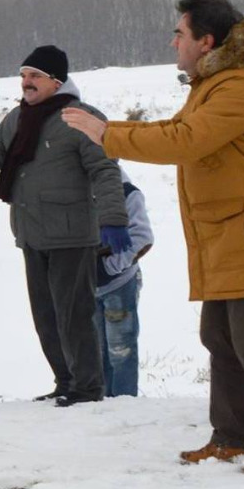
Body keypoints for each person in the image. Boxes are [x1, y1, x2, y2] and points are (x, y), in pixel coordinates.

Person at [61, 0, 244, 472]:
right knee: (220, 338)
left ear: (205, 41)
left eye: (179, 33)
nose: (172, 41)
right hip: (237, 236)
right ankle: (232, 436)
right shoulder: (214, 84)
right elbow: (177, 128)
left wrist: (107, 134)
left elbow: (186, 140)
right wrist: (112, 129)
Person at [0, 45, 129, 406]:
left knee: (74, 317)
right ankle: (65, 381)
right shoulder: (17, 119)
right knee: (47, 317)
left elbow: (104, 170)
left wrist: (113, 219)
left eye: (35, 76)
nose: (26, 83)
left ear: (56, 81)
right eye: (23, 76)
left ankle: (87, 387)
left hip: (71, 234)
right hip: (31, 232)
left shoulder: (80, 118)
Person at [95, 169, 153, 397]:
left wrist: (109, 267)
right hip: (87, 284)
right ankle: (99, 403)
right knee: (96, 349)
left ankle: (124, 402)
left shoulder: (127, 193)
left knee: (121, 349)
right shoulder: (74, 189)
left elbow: (142, 238)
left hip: (120, 283)